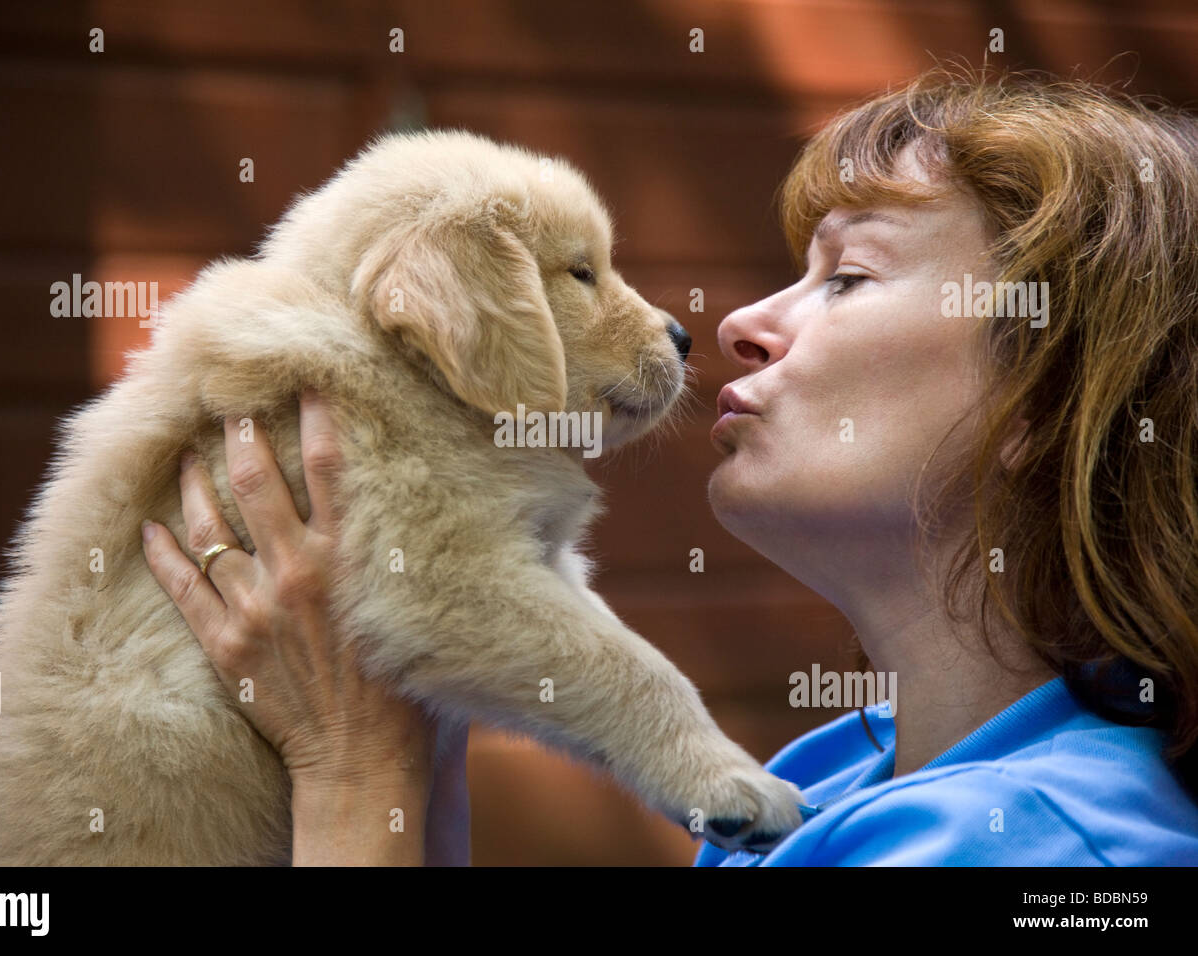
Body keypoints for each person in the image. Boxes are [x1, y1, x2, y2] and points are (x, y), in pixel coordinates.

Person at [140, 66, 1198, 865]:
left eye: (850, 277)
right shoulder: (832, 773)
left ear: (1043, 398)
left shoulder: (1036, 848)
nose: (739, 321)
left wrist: (350, 768)